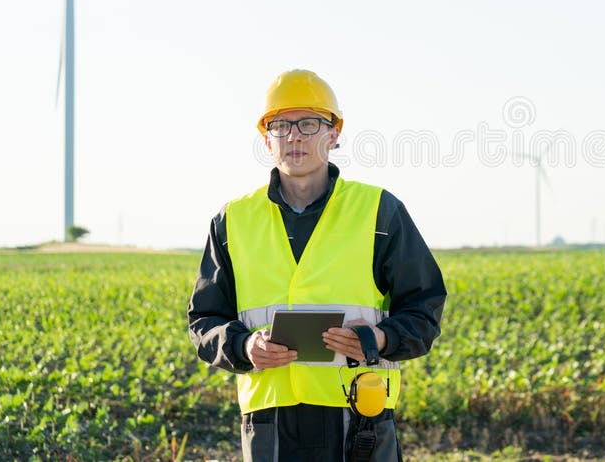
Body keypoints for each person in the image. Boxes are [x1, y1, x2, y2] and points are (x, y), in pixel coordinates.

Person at [188, 69, 446, 462]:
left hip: (359, 417)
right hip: (269, 424)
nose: (294, 136)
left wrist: (378, 339)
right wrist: (243, 344)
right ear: (265, 138)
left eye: (309, 123)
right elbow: (203, 319)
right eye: (280, 125)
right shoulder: (231, 221)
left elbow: (424, 308)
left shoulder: (380, 212)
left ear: (334, 133)